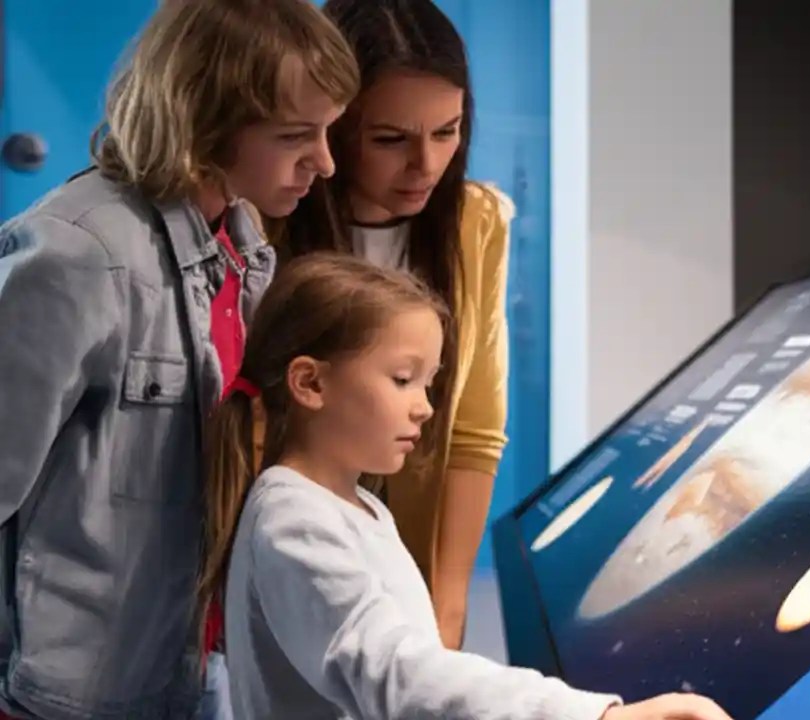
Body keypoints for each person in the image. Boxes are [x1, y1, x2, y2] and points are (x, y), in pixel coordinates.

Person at [0, 0, 358, 717]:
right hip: (77, 695)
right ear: (203, 124)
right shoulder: (77, 256)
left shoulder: (243, 233)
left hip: (193, 672)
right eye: (296, 135)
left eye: (328, 130)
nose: (325, 162)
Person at [203, 253, 732, 720]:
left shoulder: (357, 506)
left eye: (428, 383)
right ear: (310, 383)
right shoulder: (294, 521)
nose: (425, 406)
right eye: (402, 378)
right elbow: (398, 677)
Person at [273, 0, 510, 651]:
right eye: (390, 138)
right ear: (335, 125)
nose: (426, 165)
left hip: (403, 548)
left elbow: (474, 428)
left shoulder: (474, 222)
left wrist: (449, 603)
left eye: (447, 131)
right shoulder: (270, 215)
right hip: (283, 537)